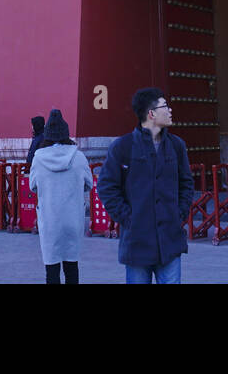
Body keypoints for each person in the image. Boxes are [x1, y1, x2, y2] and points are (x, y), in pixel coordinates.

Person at [97, 88, 194, 284]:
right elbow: (106, 187)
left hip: (170, 240)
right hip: (137, 242)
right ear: (151, 114)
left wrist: (180, 213)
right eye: (165, 106)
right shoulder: (123, 147)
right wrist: (128, 218)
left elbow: (186, 183)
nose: (170, 110)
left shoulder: (176, 145)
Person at [28, 110, 93, 284]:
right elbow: (89, 184)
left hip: (50, 221)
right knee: (72, 268)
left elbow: (32, 186)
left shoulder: (38, 158)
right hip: (73, 219)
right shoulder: (78, 157)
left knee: (52, 270)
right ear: (66, 133)